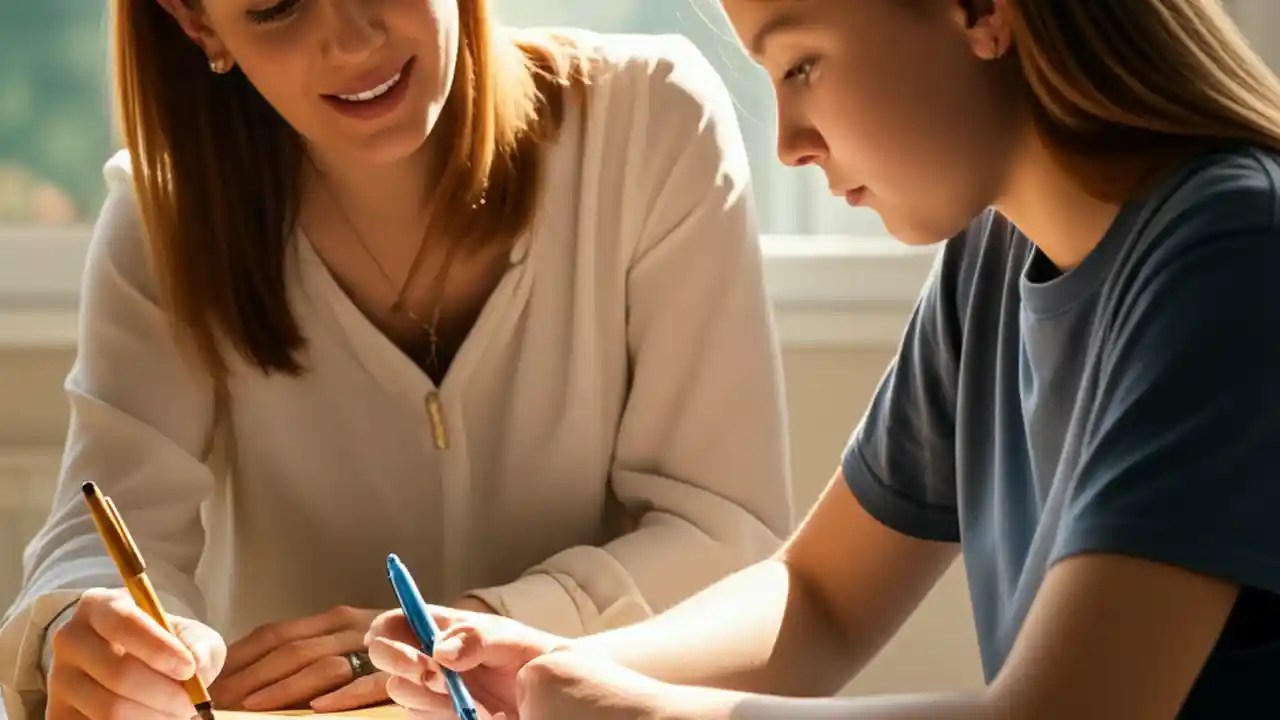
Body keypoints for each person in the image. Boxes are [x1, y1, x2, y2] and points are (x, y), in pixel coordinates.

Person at [364, 0, 1280, 718]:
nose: (789, 145)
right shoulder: (993, 258)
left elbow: (1070, 714)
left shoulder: (1233, 251)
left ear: (980, 10)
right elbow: (819, 598)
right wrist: (556, 667)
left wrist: (651, 716)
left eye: (801, 64)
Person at [0, 0, 795, 718]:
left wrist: (452, 641)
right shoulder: (163, 216)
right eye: (277, 8)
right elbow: (99, 531)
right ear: (199, 24)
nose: (351, 42)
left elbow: (731, 537)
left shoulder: (653, 122)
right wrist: (89, 627)